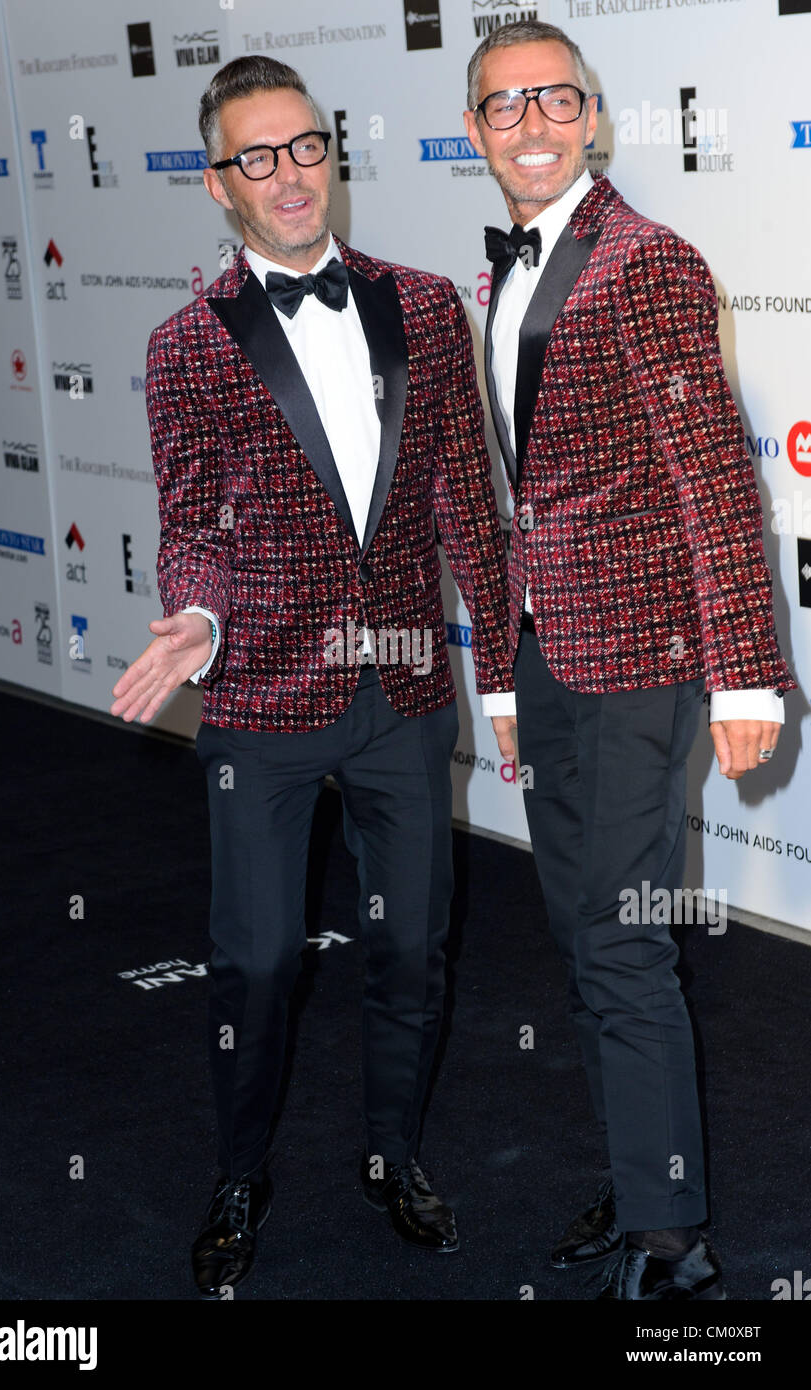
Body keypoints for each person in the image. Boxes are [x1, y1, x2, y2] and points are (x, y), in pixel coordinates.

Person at [110, 54, 513, 1299]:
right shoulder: (183, 345)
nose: (287, 175)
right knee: (259, 959)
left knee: (411, 949)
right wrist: (194, 614)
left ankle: (392, 1155)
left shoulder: (427, 305)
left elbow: (466, 504)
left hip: (397, 693)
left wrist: (497, 679)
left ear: (329, 152)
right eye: (255, 158)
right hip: (260, 696)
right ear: (219, 185)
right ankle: (241, 1170)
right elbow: (192, 522)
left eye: (303, 147)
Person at [463, 19, 796, 1300]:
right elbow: (523, 498)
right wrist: (501, 672)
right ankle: (640, 1162)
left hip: (643, 660)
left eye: (555, 99)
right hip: (553, 656)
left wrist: (747, 673)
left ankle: (674, 1245)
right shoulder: (514, 267)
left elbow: (714, 477)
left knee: (619, 941)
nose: (533, 124)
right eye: (504, 106)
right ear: (480, 131)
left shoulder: (648, 263)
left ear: (594, 118)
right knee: (577, 926)